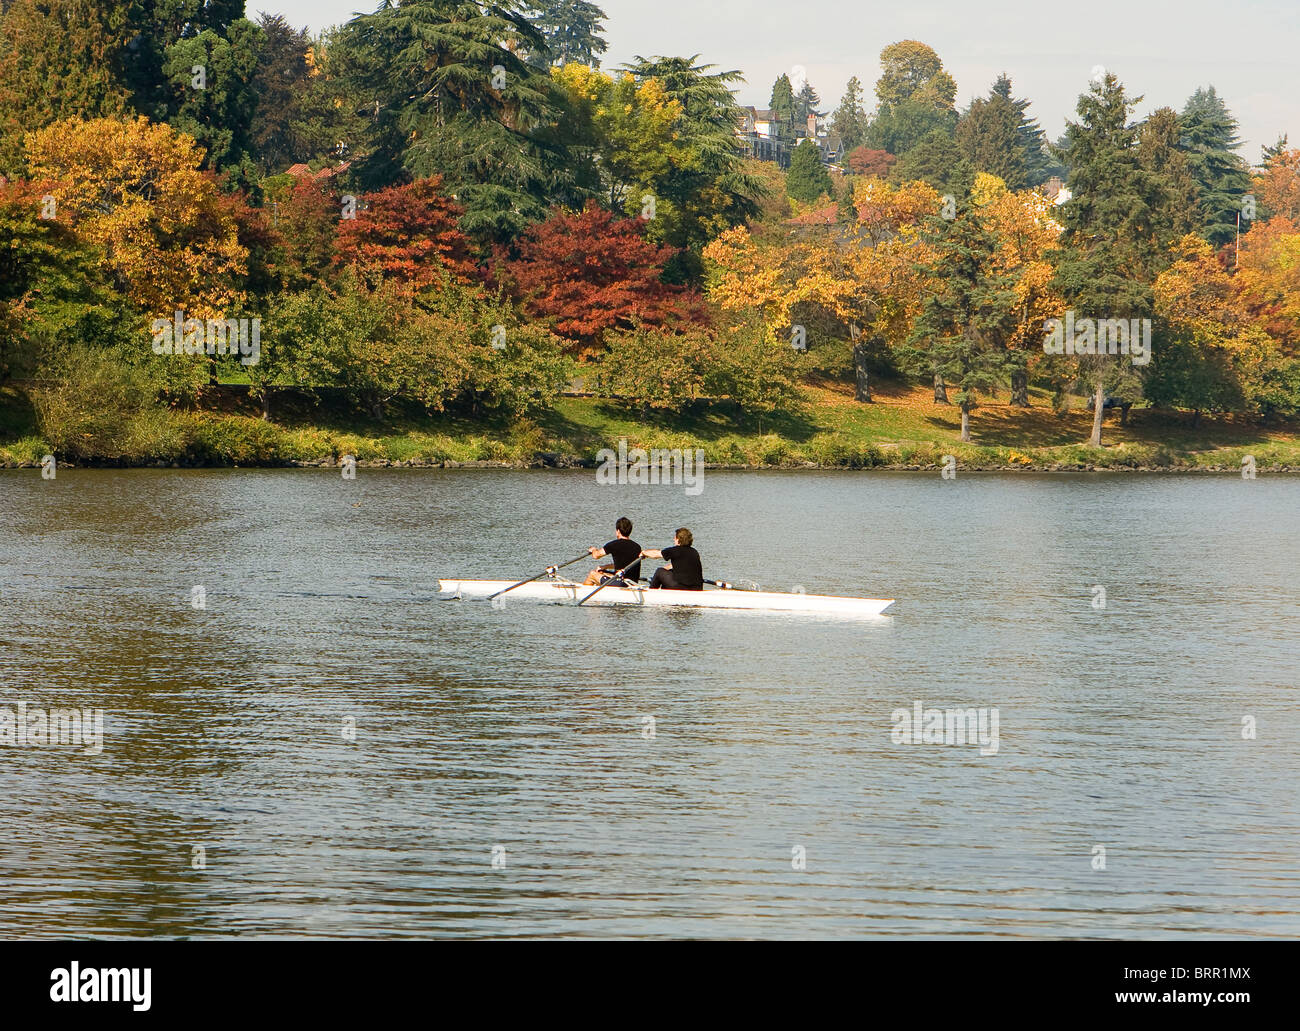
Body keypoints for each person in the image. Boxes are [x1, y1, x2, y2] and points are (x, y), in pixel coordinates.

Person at [583, 517, 642, 586]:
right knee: (601, 572)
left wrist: (593, 550)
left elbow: (596, 555)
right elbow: (623, 565)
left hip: (621, 583)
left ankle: (582, 594)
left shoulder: (613, 545)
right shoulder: (637, 547)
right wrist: (605, 567)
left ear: (618, 531)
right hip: (633, 583)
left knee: (592, 574)